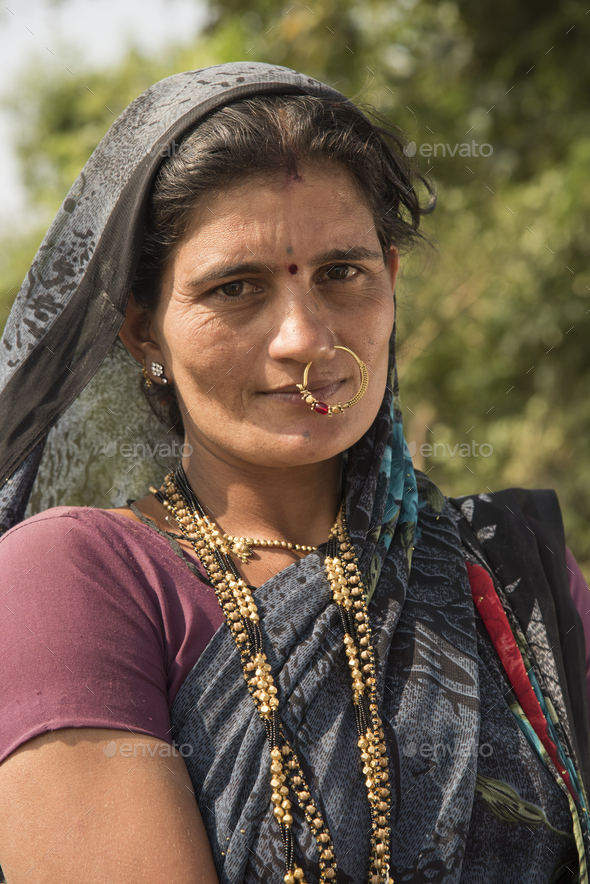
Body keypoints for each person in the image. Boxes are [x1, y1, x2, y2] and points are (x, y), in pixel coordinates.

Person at [0, 61, 588, 884]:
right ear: (143, 333)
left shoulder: (510, 570)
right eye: (235, 288)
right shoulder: (74, 578)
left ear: (391, 280)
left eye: (341, 273)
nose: (305, 338)